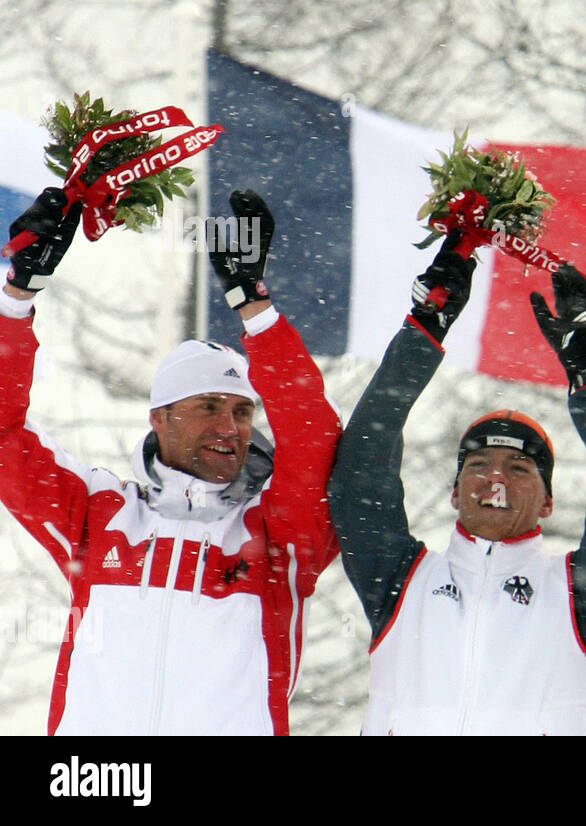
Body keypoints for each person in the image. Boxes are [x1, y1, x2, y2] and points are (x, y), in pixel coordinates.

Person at [0, 188, 340, 735]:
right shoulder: (100, 516)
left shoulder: (277, 533)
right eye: (208, 406)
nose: (230, 427)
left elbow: (316, 440)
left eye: (242, 410)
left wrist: (255, 308)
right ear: (159, 418)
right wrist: (16, 297)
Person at [328, 232, 586, 735]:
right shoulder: (402, 580)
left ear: (548, 502)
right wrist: (424, 329)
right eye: (478, 465)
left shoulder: (577, 596)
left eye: (520, 468)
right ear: (455, 491)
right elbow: (360, 475)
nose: (496, 478)